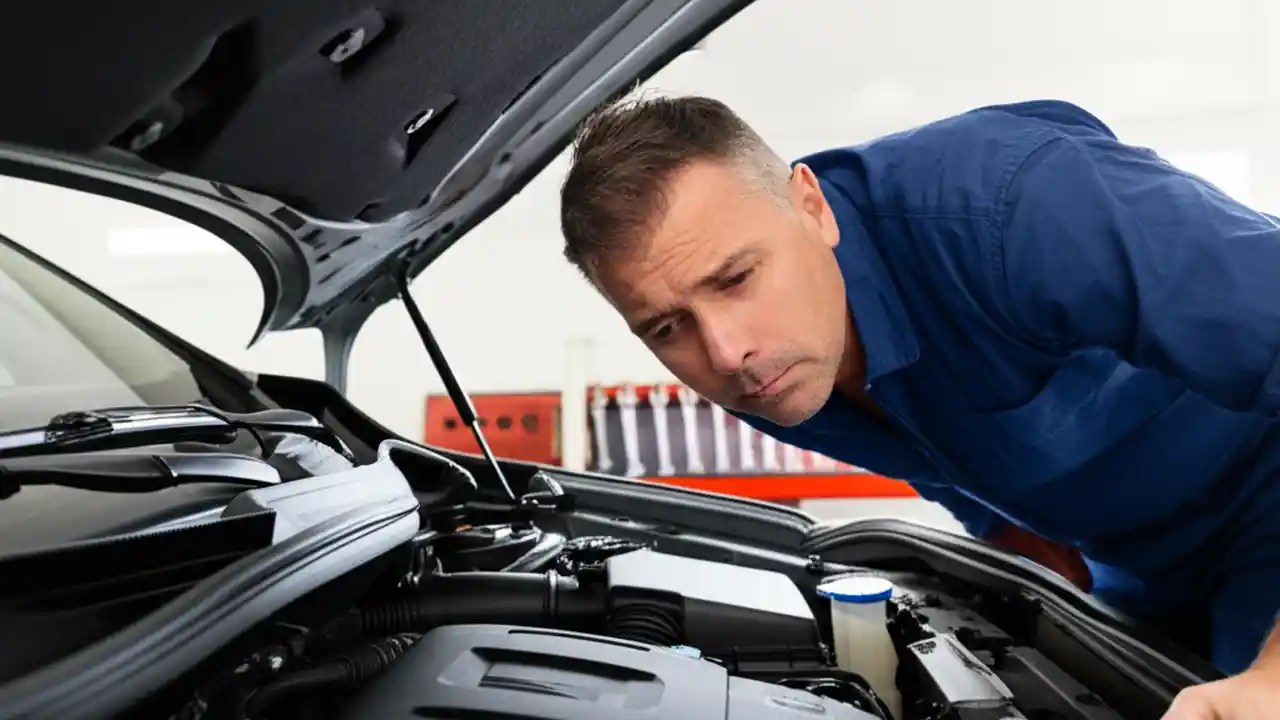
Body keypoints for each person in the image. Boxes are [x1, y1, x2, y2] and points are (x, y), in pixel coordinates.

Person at [557, 93, 1280, 719]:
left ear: (811, 206)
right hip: (1136, 566)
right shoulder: (766, 364)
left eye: (738, 278)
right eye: (664, 326)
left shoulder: (1011, 207)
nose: (723, 352)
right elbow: (960, 467)